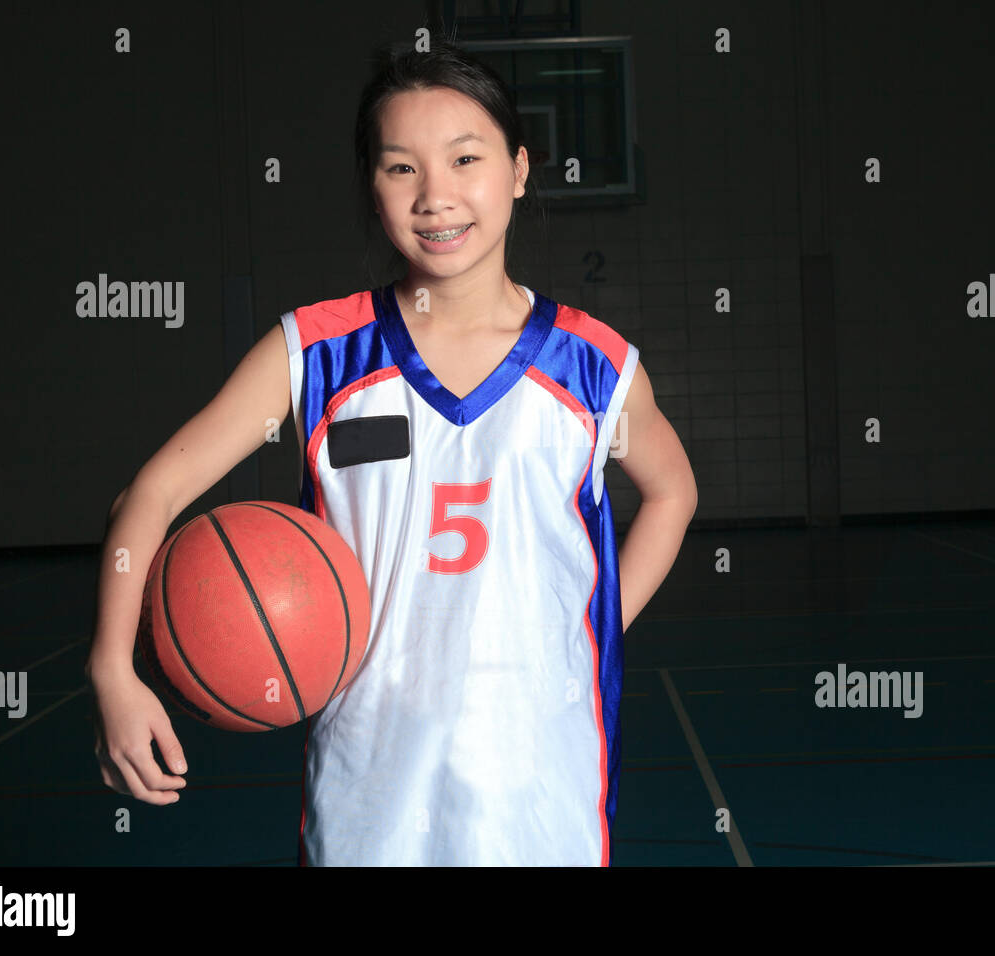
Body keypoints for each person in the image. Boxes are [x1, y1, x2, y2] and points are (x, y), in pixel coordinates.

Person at [87, 36, 697, 866]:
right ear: (371, 187)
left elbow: (673, 491)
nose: (435, 195)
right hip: (370, 779)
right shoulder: (315, 352)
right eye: (400, 167)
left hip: (540, 778)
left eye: (465, 158)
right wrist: (113, 670)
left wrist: (594, 627)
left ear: (519, 170)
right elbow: (149, 497)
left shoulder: (594, 365)